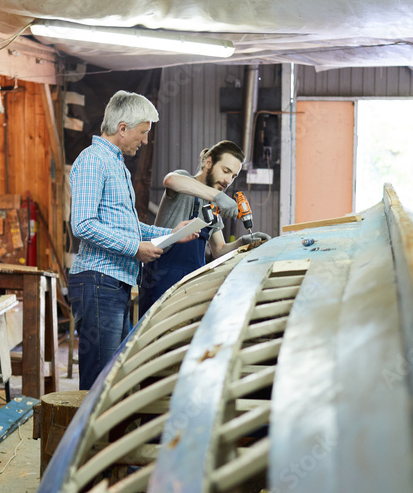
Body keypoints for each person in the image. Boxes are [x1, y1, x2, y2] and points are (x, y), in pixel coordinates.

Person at [68, 90, 197, 391]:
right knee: (100, 384)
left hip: (113, 283)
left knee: (114, 379)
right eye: (142, 132)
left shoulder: (115, 164)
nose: (145, 140)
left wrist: (170, 234)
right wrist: (135, 248)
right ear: (122, 128)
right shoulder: (93, 161)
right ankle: (89, 438)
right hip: (99, 282)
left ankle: (104, 437)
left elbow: (127, 227)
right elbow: (83, 224)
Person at [138, 141, 270, 316]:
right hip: (161, 280)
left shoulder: (212, 204)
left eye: (234, 176)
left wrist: (242, 242)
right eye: (225, 171)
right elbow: (170, 180)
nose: (228, 181)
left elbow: (219, 250)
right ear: (209, 162)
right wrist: (218, 196)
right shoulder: (183, 180)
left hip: (193, 283)